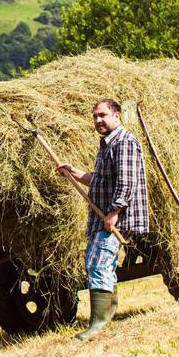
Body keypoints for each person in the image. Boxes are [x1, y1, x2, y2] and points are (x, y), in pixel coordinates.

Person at [56, 99, 149, 341]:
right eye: (95, 116)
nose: (98, 120)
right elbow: (100, 179)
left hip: (115, 217)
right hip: (106, 217)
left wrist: (114, 212)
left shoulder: (124, 141)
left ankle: (99, 322)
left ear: (117, 116)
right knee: (99, 262)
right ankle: (106, 316)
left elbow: (126, 182)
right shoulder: (108, 145)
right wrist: (74, 172)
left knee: (98, 263)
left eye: (103, 115)